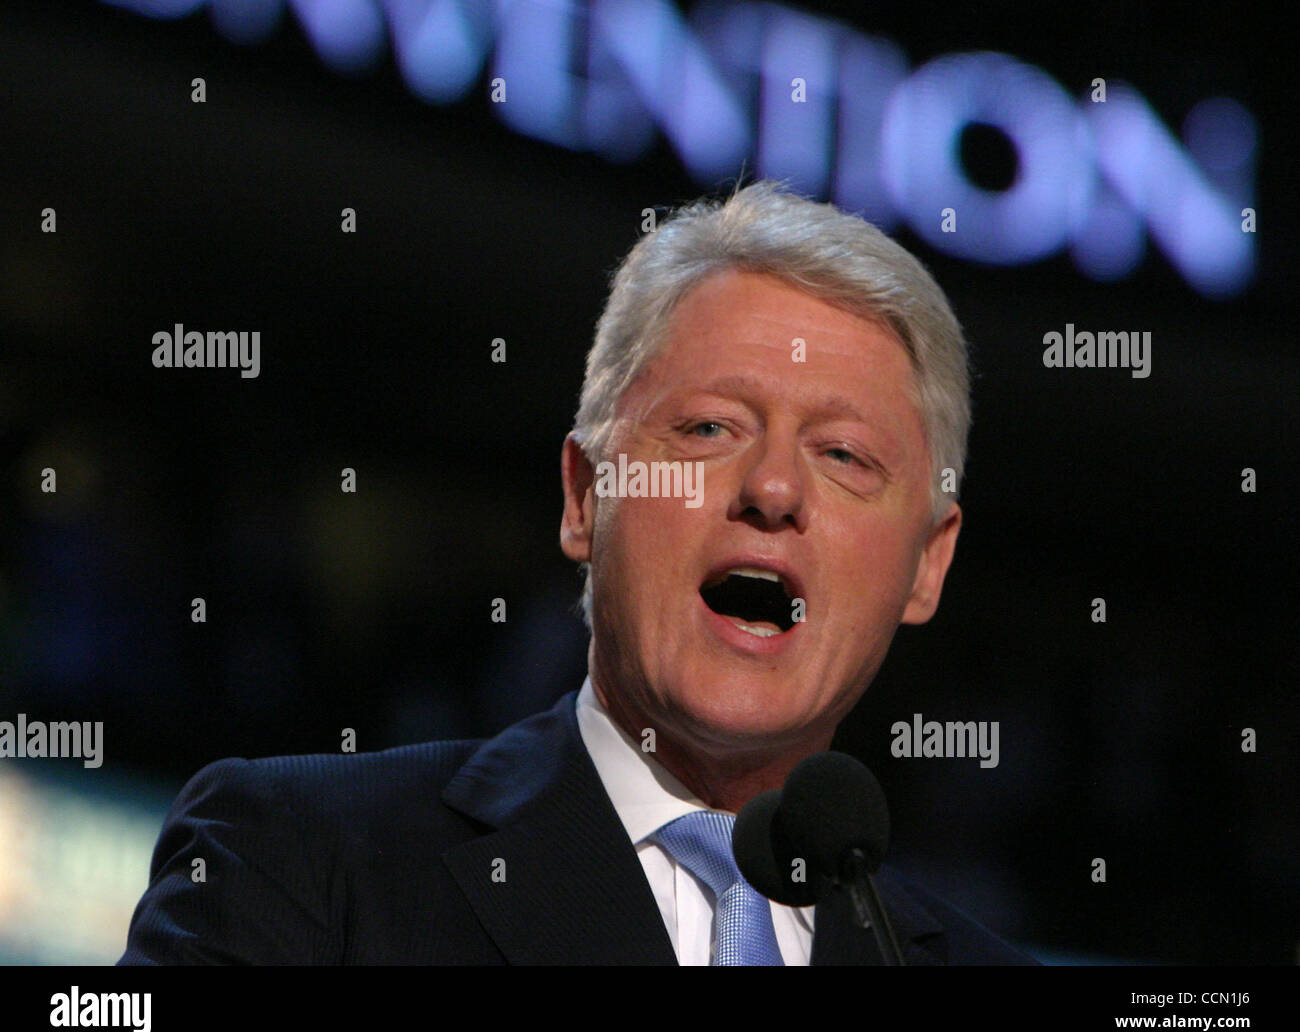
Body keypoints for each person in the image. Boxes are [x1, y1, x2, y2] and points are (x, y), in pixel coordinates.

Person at [119, 181, 1035, 965]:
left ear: (927, 565)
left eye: (843, 455)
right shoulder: (300, 858)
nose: (772, 488)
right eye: (709, 428)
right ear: (586, 498)